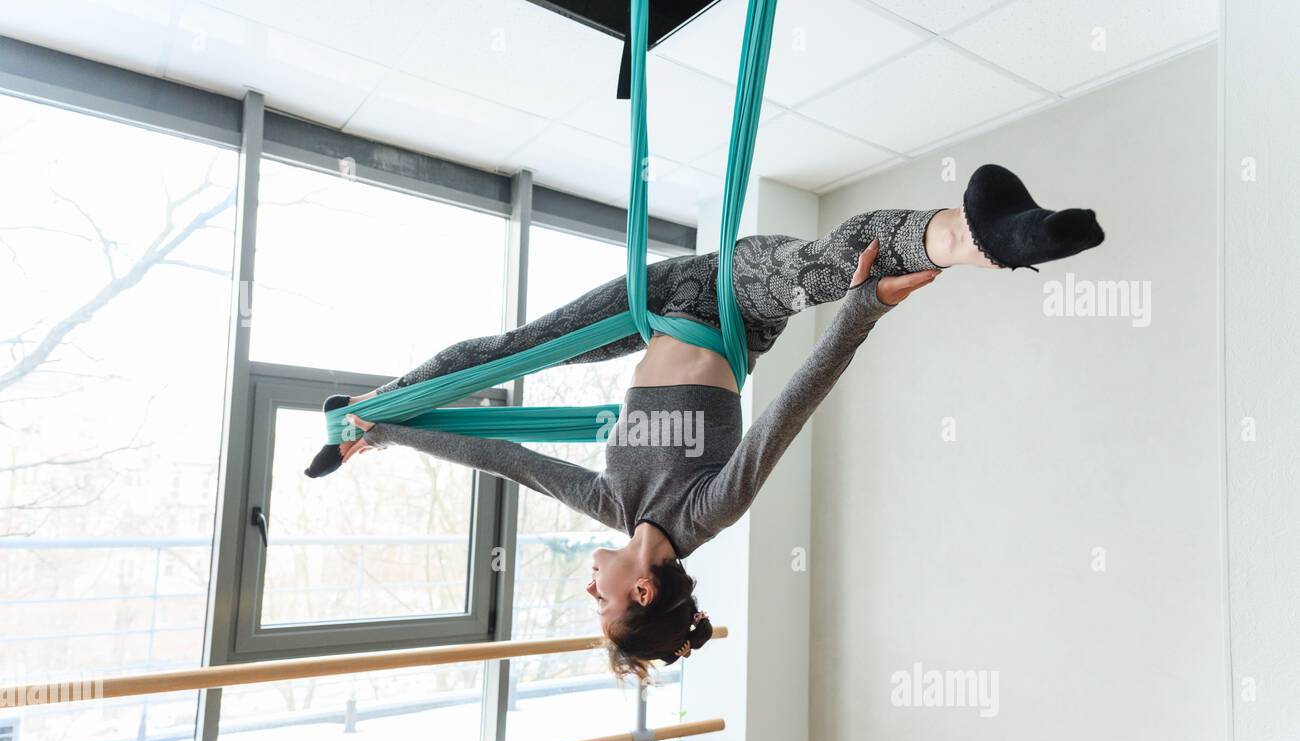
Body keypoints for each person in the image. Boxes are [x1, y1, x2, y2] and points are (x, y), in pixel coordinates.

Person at [307, 165, 1104, 680]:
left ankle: (366, 409)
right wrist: (861, 312)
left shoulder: (612, 506)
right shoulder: (706, 512)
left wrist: (386, 430)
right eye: (602, 600)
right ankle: (983, 239)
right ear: (643, 590)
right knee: (832, 264)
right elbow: (793, 407)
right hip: (731, 308)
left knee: (506, 352)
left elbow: (498, 456)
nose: (591, 585)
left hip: (657, 304)